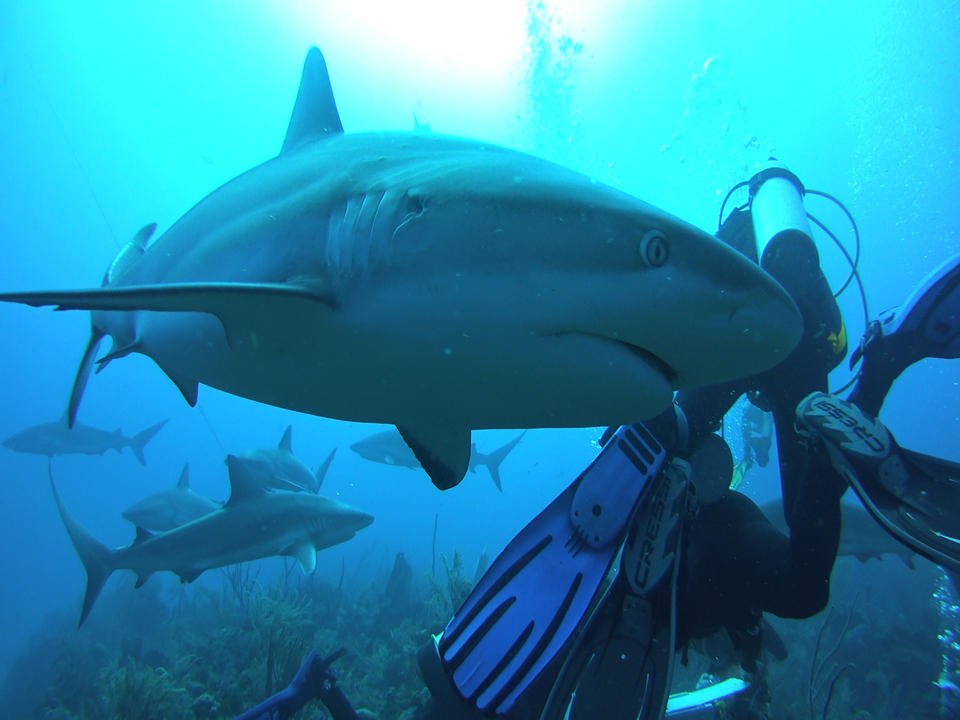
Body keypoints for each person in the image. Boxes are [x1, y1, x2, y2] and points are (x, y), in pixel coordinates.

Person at [233, 167, 960, 720]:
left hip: (664, 541)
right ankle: (805, 370)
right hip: (679, 546)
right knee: (700, 485)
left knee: (763, 548)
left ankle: (842, 368)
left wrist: (322, 700)